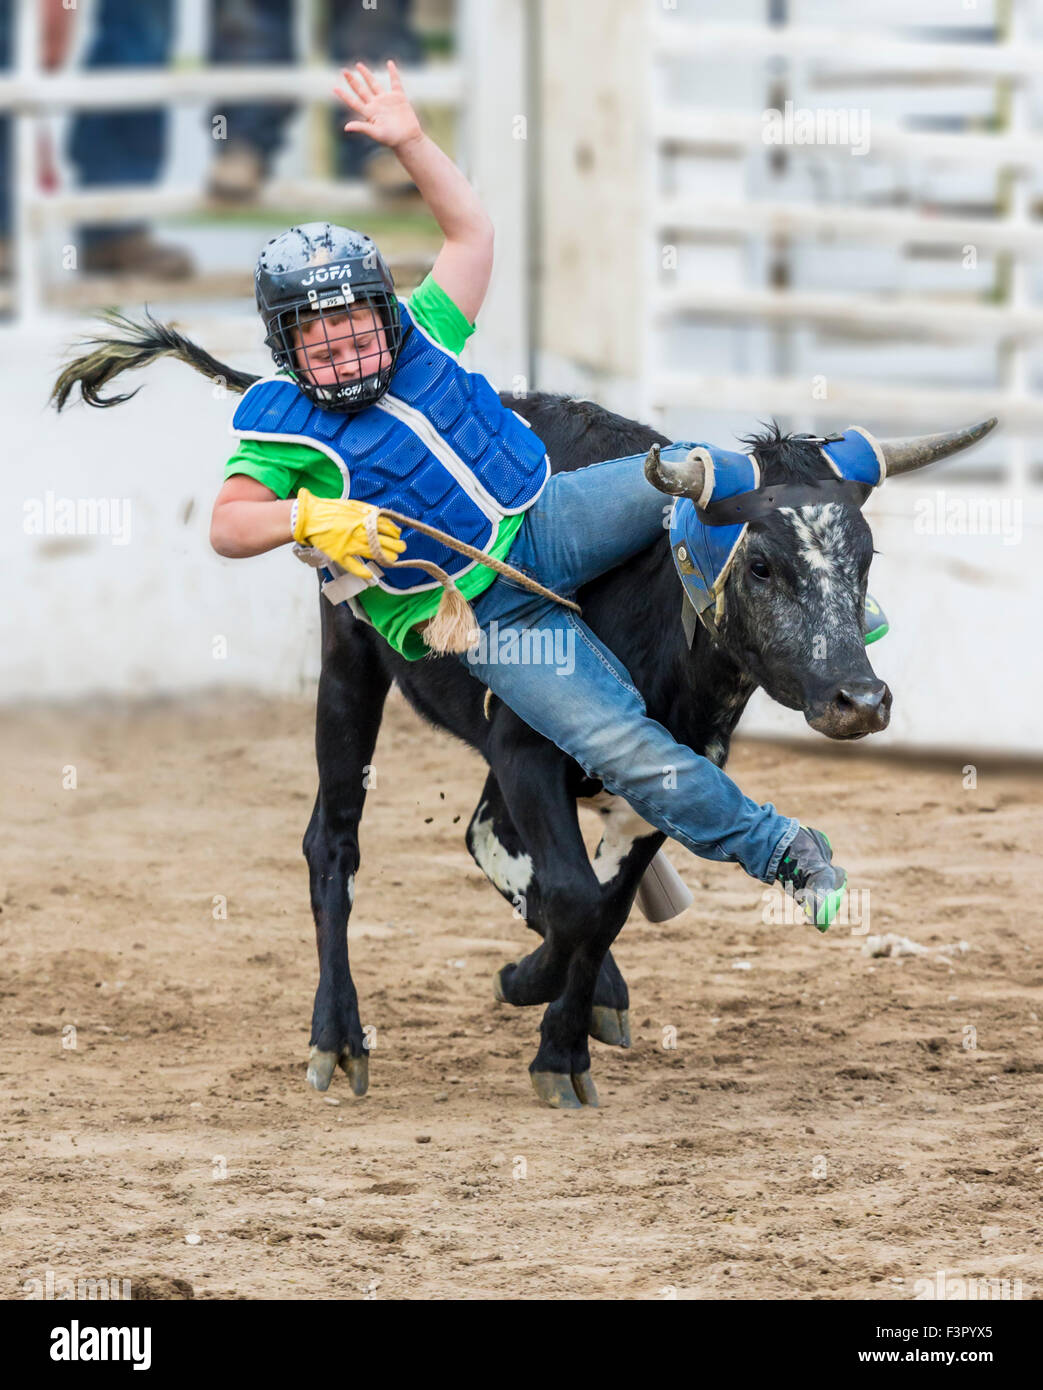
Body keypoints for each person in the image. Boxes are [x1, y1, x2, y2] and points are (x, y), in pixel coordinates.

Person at [51, 61, 854, 927]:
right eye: (316, 332)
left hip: (547, 515)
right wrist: (307, 517)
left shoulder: (426, 332)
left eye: (354, 321)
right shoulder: (278, 429)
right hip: (487, 612)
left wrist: (410, 140)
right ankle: (781, 850)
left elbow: (470, 234)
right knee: (620, 741)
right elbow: (227, 525)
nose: (342, 346)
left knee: (699, 469)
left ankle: (833, 604)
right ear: (285, 343)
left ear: (383, 313)